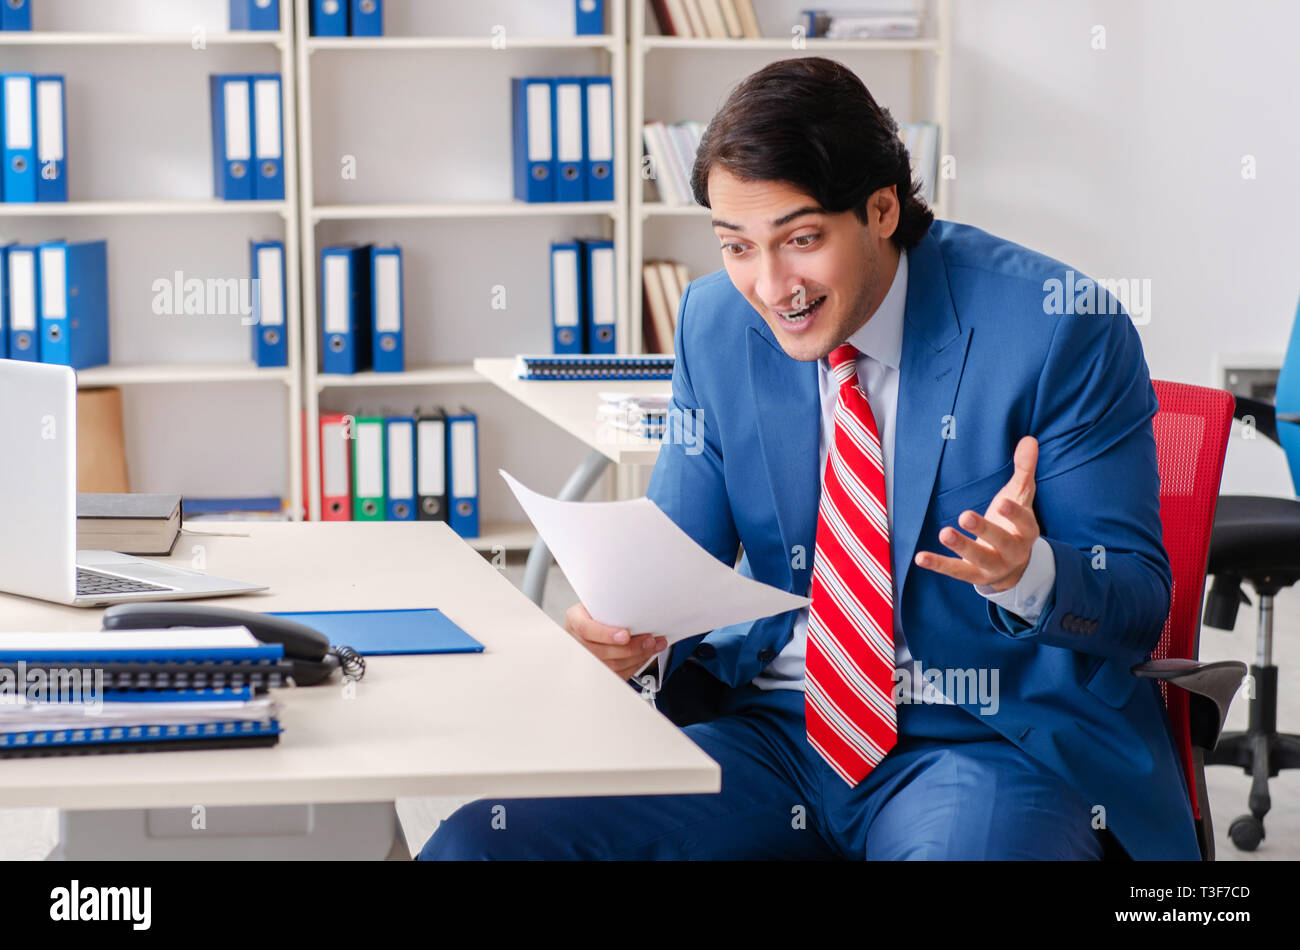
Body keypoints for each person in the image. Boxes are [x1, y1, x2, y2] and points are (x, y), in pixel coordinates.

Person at [420, 57, 1198, 860]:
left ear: (883, 208)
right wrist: (624, 634)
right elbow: (674, 563)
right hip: (773, 736)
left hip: (981, 742)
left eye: (800, 240)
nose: (770, 286)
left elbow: (1136, 605)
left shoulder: (1056, 328)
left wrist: (1026, 572)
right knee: (479, 843)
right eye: (736, 247)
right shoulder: (716, 324)